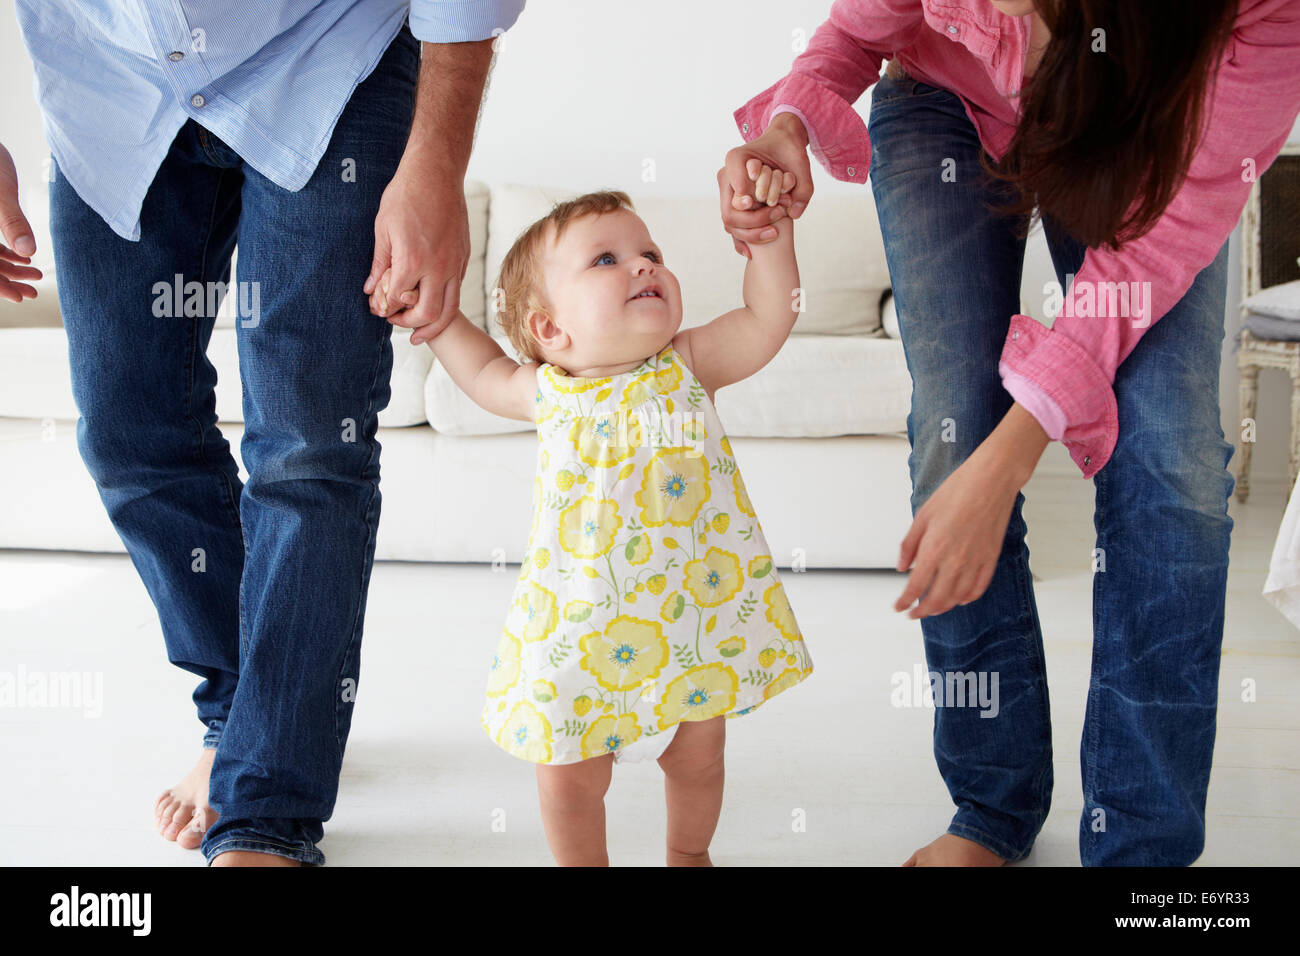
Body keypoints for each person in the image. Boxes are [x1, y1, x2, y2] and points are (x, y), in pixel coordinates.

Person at [720, 0, 1300, 865]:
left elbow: (1139, 267)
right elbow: (857, 29)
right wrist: (791, 124)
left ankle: (1144, 853)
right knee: (954, 434)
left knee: (1171, 461)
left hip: (1143, 129)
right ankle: (991, 807)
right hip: (938, 109)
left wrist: (1013, 458)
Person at [1, 0, 525, 866]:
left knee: (308, 444)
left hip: (330, 53)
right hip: (107, 81)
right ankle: (246, 714)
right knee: (129, 429)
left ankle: (266, 805)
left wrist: (436, 158)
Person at [372, 183, 812, 865]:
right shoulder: (547, 392)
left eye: (650, 253)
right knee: (568, 779)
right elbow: (485, 368)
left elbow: (766, 316)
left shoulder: (689, 366)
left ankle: (689, 854)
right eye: (606, 260)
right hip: (575, 630)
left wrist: (770, 246)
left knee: (699, 760)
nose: (644, 265)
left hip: (687, 625)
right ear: (549, 329)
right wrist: (436, 317)